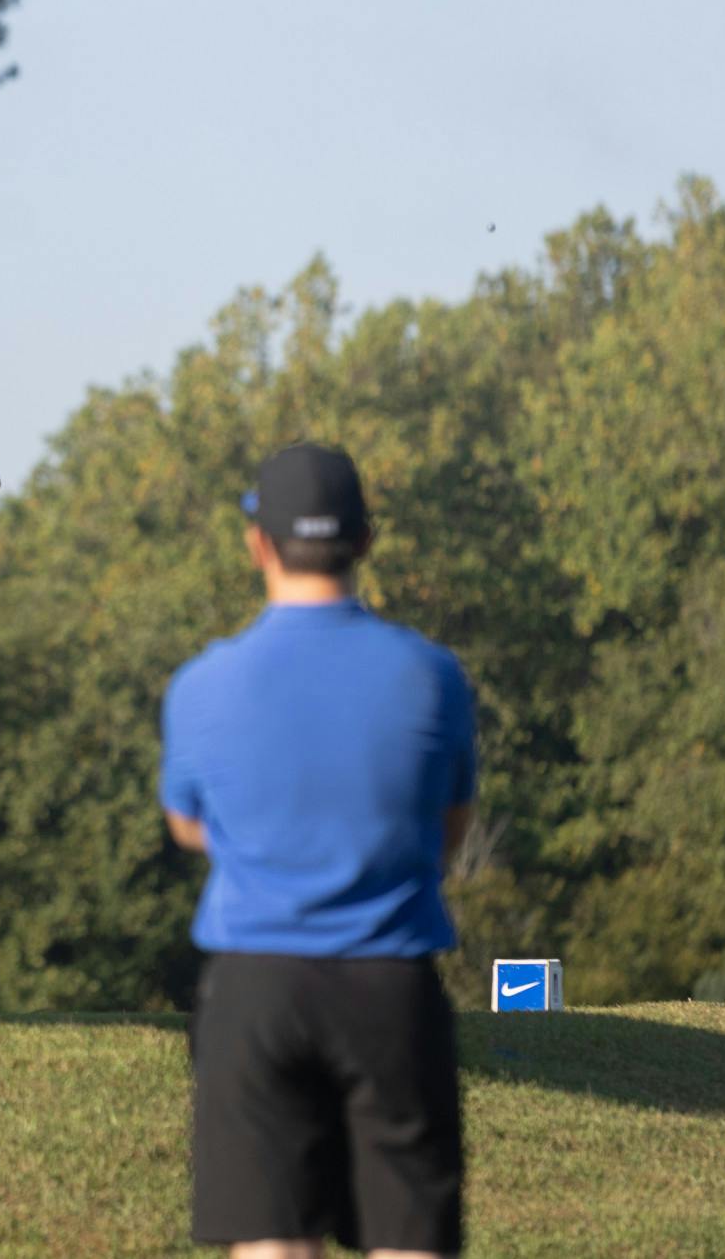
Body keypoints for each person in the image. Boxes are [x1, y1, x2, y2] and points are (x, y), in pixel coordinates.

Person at [161, 443, 476, 1259]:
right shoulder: (433, 675)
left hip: (255, 985)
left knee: (271, 1243)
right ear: (366, 541)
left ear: (258, 543)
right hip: (392, 985)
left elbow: (188, 825)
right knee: (410, 1240)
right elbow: (448, 827)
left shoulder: (203, 683)